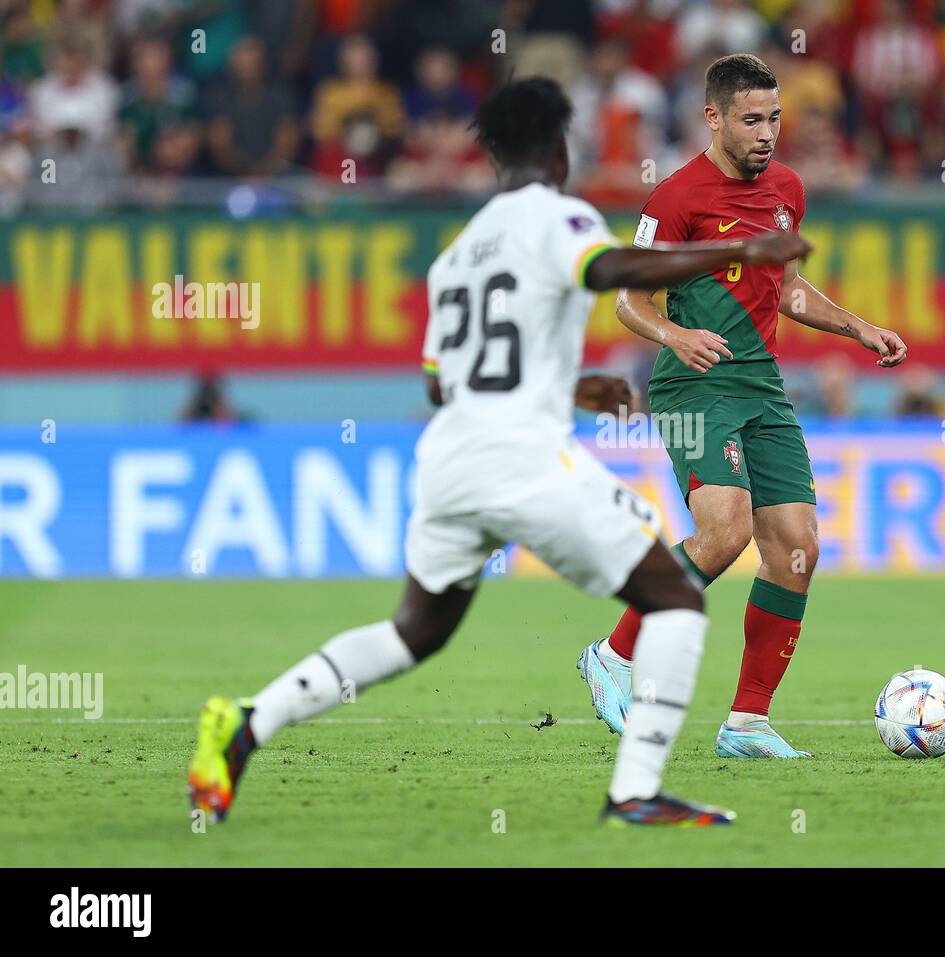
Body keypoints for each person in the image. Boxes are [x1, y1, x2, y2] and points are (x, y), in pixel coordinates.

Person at [186, 76, 811, 828]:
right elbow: (614, 272)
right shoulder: (560, 217)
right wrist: (745, 248)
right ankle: (636, 791)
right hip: (524, 462)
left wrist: (570, 387)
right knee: (674, 595)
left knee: (411, 631)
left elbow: (444, 381)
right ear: (557, 148)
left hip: (450, 463)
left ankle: (248, 720)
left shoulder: (459, 254)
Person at [577, 54, 907, 760]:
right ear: (714, 117)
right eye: (752, 119)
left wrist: (857, 327)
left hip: (762, 387)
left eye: (774, 119)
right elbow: (630, 300)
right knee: (723, 533)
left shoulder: (787, 190)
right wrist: (676, 333)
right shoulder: (674, 199)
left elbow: (788, 291)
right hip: (694, 386)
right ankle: (613, 652)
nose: (766, 134)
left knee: (796, 550)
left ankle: (747, 723)